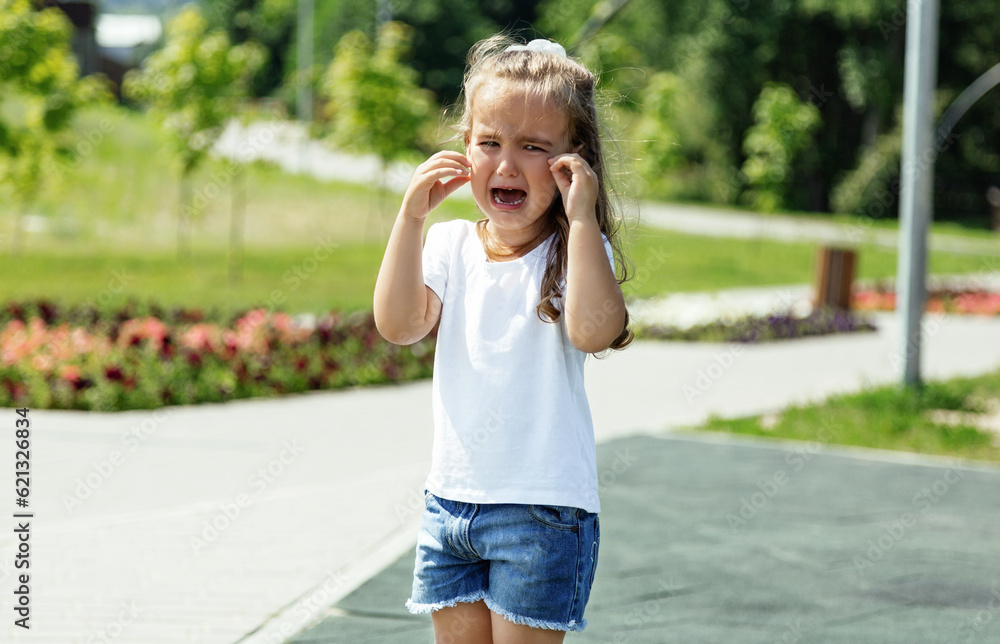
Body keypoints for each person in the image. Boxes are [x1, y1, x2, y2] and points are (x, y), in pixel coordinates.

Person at [373, 34, 632, 643]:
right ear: (465, 148)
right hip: (450, 508)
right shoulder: (448, 245)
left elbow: (595, 332)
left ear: (573, 161)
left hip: (541, 515)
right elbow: (398, 324)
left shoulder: (576, 251)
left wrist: (584, 218)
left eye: (533, 147)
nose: (507, 164)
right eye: (489, 142)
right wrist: (410, 219)